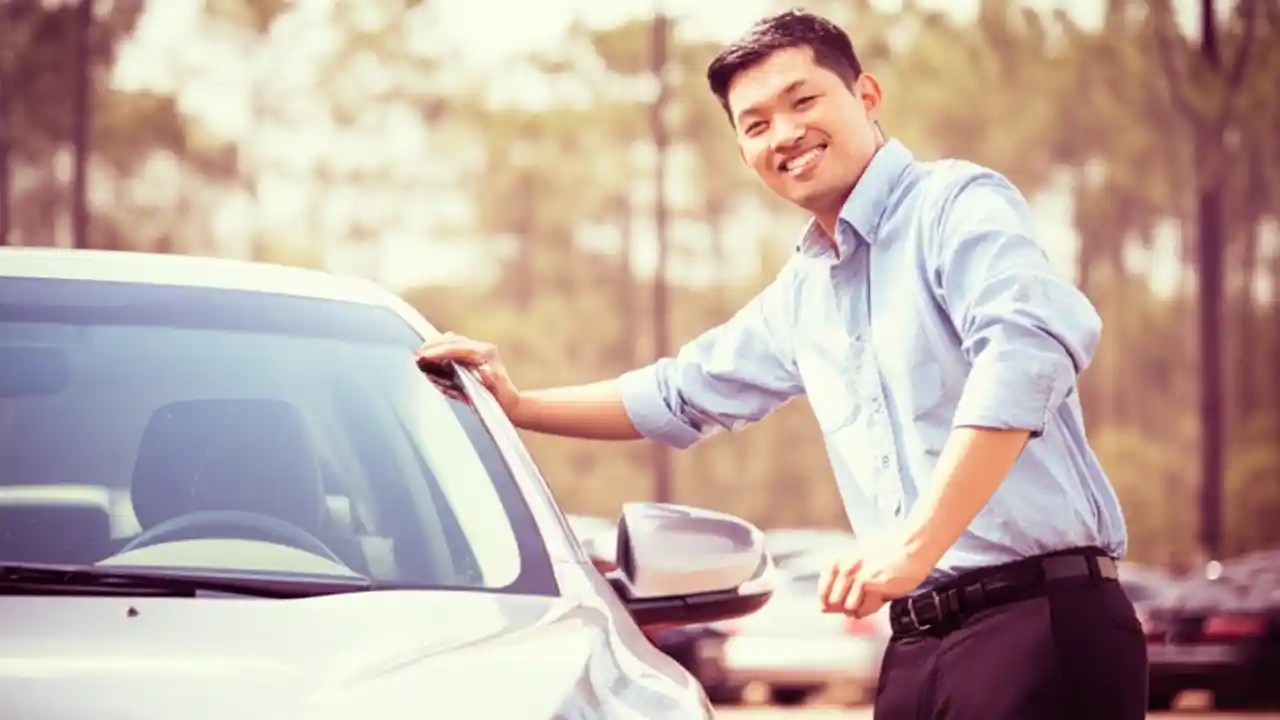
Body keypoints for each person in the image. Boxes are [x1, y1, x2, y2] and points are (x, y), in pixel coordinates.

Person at [415, 8, 1147, 719]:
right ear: (743, 153)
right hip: (917, 644)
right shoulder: (804, 294)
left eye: (803, 101)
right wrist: (516, 405)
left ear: (865, 96)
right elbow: (680, 393)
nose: (785, 135)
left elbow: (1025, 351)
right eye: (756, 125)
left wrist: (912, 546)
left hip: (1041, 626)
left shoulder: (954, 204)